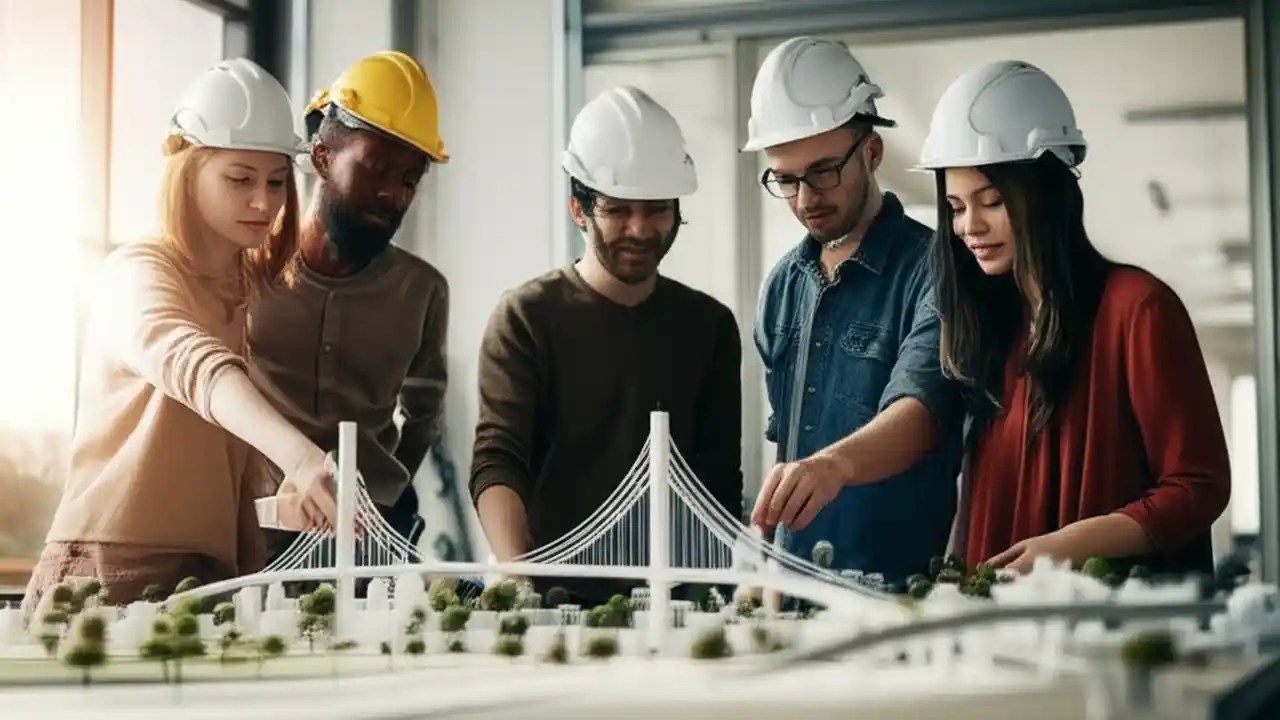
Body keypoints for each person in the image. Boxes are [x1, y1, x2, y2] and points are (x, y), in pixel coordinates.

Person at [23, 58, 337, 612]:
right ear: (187, 171)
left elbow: (198, 449)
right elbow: (192, 364)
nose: (263, 202)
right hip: (108, 571)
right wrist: (302, 457)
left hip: (201, 575)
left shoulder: (236, 290)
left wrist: (274, 499)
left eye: (275, 180)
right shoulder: (136, 272)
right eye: (240, 179)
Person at [917, 60, 1230, 575]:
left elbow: (1198, 484)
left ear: (1044, 194)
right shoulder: (994, 332)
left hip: (1110, 634)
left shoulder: (1139, 309)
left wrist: (1072, 544)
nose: (969, 227)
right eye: (954, 207)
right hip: (1005, 634)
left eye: (991, 200)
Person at [470, 86, 743, 604]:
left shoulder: (709, 327)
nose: (641, 230)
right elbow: (498, 459)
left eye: (658, 209)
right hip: (550, 597)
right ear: (579, 208)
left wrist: (726, 591)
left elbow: (718, 484)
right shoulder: (526, 317)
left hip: (675, 601)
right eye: (619, 210)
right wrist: (515, 574)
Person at [745, 37, 962, 582]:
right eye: (785, 178)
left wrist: (833, 466)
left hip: (897, 592)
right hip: (793, 591)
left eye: (822, 171)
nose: (804, 197)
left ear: (872, 152)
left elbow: (923, 412)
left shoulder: (937, 269)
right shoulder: (780, 288)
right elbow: (789, 447)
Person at [247, 50, 449, 559]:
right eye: (376, 168)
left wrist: (385, 490)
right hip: (249, 531)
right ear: (321, 157)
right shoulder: (245, 267)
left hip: (371, 540)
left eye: (409, 178)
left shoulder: (423, 291)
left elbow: (425, 415)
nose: (392, 194)